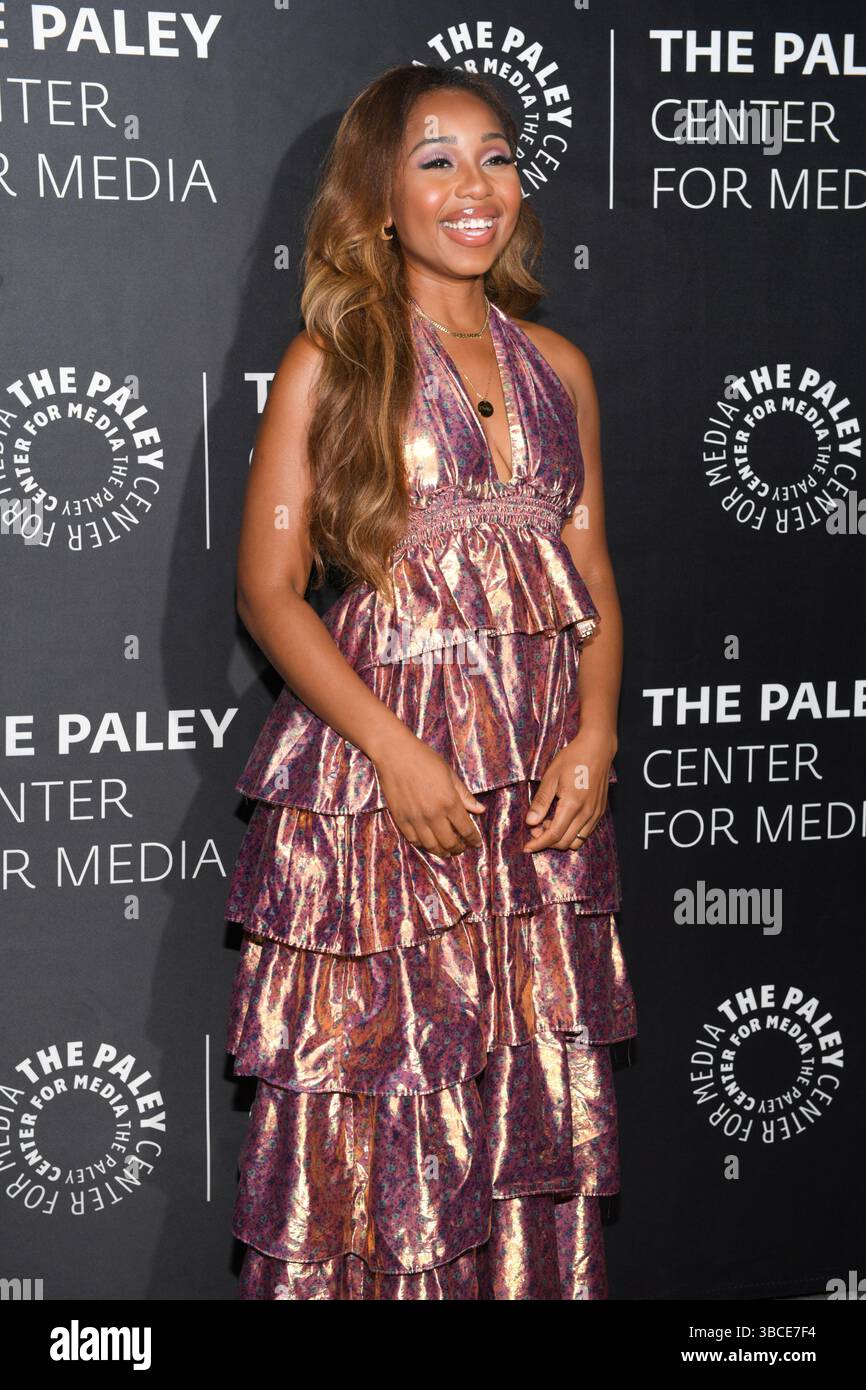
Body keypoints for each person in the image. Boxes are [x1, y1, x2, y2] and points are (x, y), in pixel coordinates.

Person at [223, 62, 637, 1301]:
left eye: (497, 155)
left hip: (535, 796)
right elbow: (270, 591)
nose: (476, 186)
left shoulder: (558, 365)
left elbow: (590, 574)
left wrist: (594, 736)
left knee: (521, 1088)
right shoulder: (331, 362)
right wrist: (391, 752)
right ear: (379, 199)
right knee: (382, 1093)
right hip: (382, 791)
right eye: (436, 158)